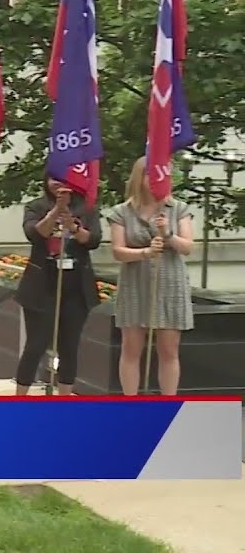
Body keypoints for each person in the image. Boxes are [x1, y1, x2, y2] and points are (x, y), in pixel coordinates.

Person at [106, 157, 194, 396]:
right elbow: (118, 251)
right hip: (136, 281)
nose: (158, 180)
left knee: (168, 350)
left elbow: (187, 247)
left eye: (163, 175)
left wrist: (168, 234)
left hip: (170, 282)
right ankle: (131, 402)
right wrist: (145, 252)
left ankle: (168, 403)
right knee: (131, 348)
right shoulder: (121, 212)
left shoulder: (178, 208)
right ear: (140, 178)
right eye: (151, 174)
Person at [13, 177, 103, 396]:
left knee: (69, 347)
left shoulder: (86, 207)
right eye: (53, 178)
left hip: (75, 286)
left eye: (63, 179)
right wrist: (56, 211)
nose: (58, 183)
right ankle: (18, 399)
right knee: (36, 345)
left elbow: (93, 240)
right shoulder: (36, 206)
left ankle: (63, 400)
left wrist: (73, 226)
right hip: (42, 285)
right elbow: (35, 234)